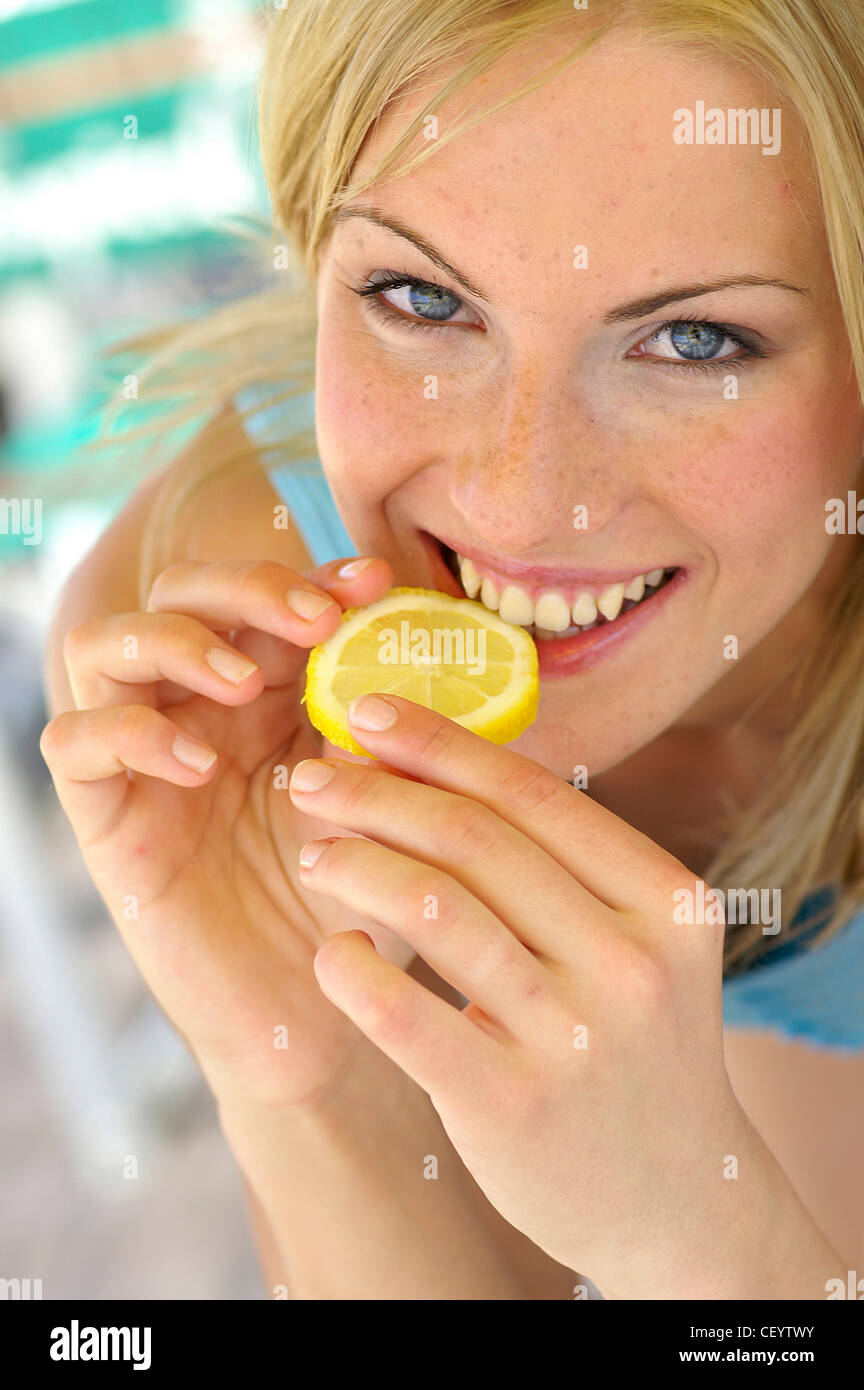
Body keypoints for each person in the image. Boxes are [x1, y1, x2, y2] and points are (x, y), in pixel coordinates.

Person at [41, 0, 864, 1298]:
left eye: (696, 338)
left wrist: (700, 1247)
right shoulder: (214, 666)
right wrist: (306, 1078)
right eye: (420, 297)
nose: (523, 507)